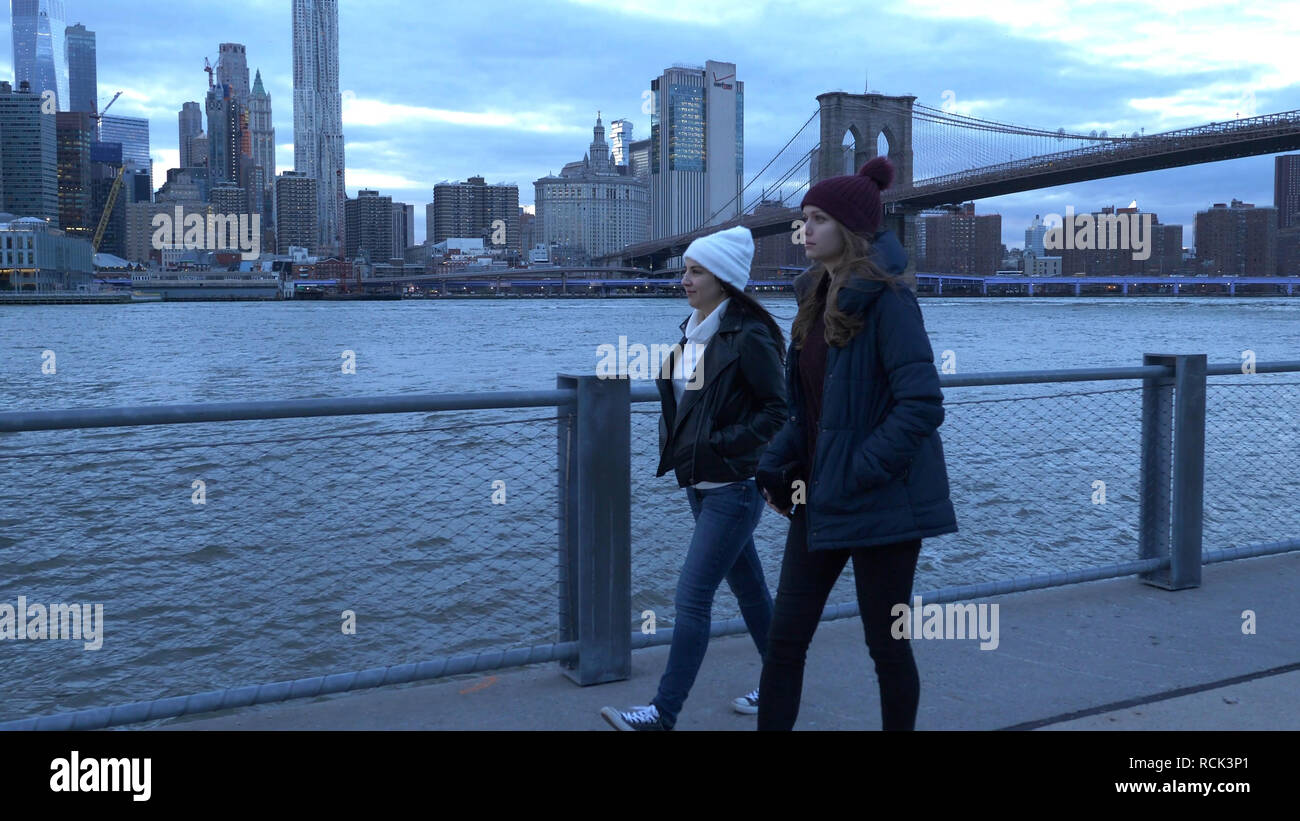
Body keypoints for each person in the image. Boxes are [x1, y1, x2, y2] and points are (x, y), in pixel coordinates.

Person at [754, 156, 958, 731]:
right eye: (803, 219)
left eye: (817, 218)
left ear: (849, 228)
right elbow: (814, 409)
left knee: (886, 646)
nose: (804, 230)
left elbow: (922, 405)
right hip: (819, 498)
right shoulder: (815, 300)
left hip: (884, 506)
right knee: (784, 642)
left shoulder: (892, 301)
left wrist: (857, 469)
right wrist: (774, 463)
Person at [601, 225, 788, 731]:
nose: (684, 279)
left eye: (695, 271)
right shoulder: (695, 327)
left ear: (723, 279)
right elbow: (690, 402)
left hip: (734, 487)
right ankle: (782, 684)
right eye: (685, 269)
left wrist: (721, 445)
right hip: (700, 486)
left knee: (692, 599)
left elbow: (778, 409)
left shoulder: (748, 335)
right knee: (750, 590)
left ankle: (663, 714)